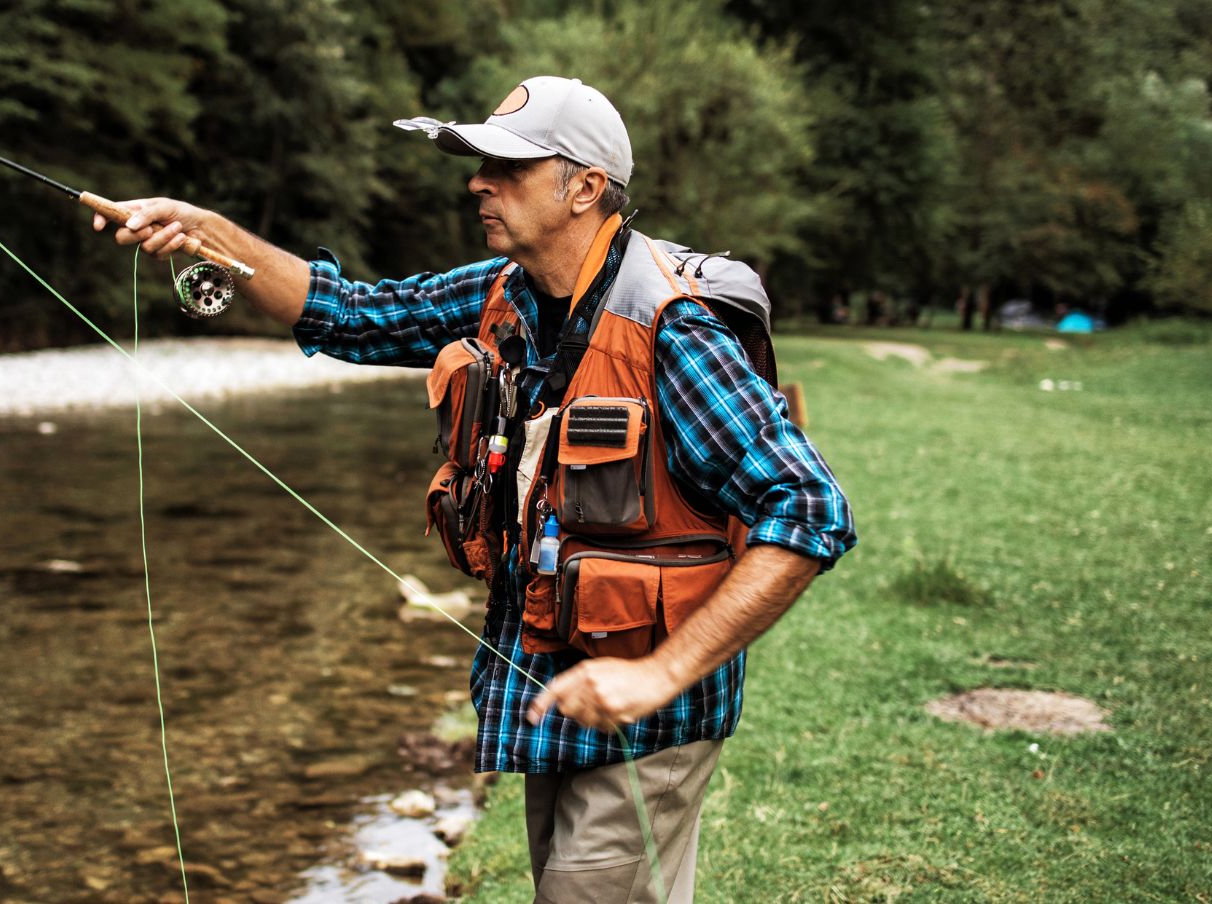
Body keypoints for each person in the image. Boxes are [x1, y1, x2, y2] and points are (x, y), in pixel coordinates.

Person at [94, 76, 855, 903]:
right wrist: (206, 235)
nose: (477, 182)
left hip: (649, 720)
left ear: (586, 189)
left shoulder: (674, 330)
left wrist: (662, 674)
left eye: (507, 167)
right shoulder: (506, 293)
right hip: (554, 693)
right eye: (479, 164)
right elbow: (346, 312)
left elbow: (809, 507)